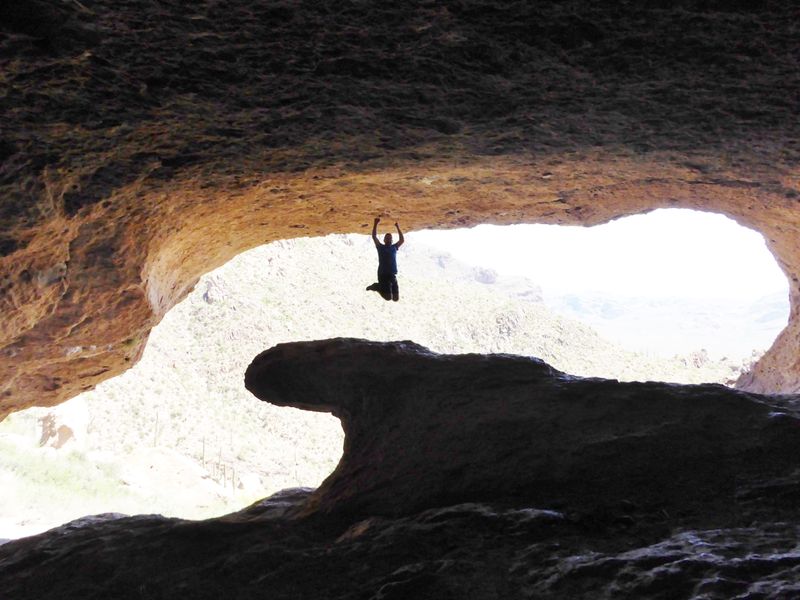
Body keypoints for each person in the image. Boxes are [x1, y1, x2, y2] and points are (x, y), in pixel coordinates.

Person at [366, 217, 404, 301]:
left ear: (391, 240)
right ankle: (376, 286)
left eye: (390, 238)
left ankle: (381, 287)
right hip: (383, 275)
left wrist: (397, 227)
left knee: (395, 298)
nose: (388, 239)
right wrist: (376, 223)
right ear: (384, 240)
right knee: (388, 297)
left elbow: (402, 240)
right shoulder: (380, 247)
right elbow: (374, 236)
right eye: (387, 238)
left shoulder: (394, 247)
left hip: (392, 275)